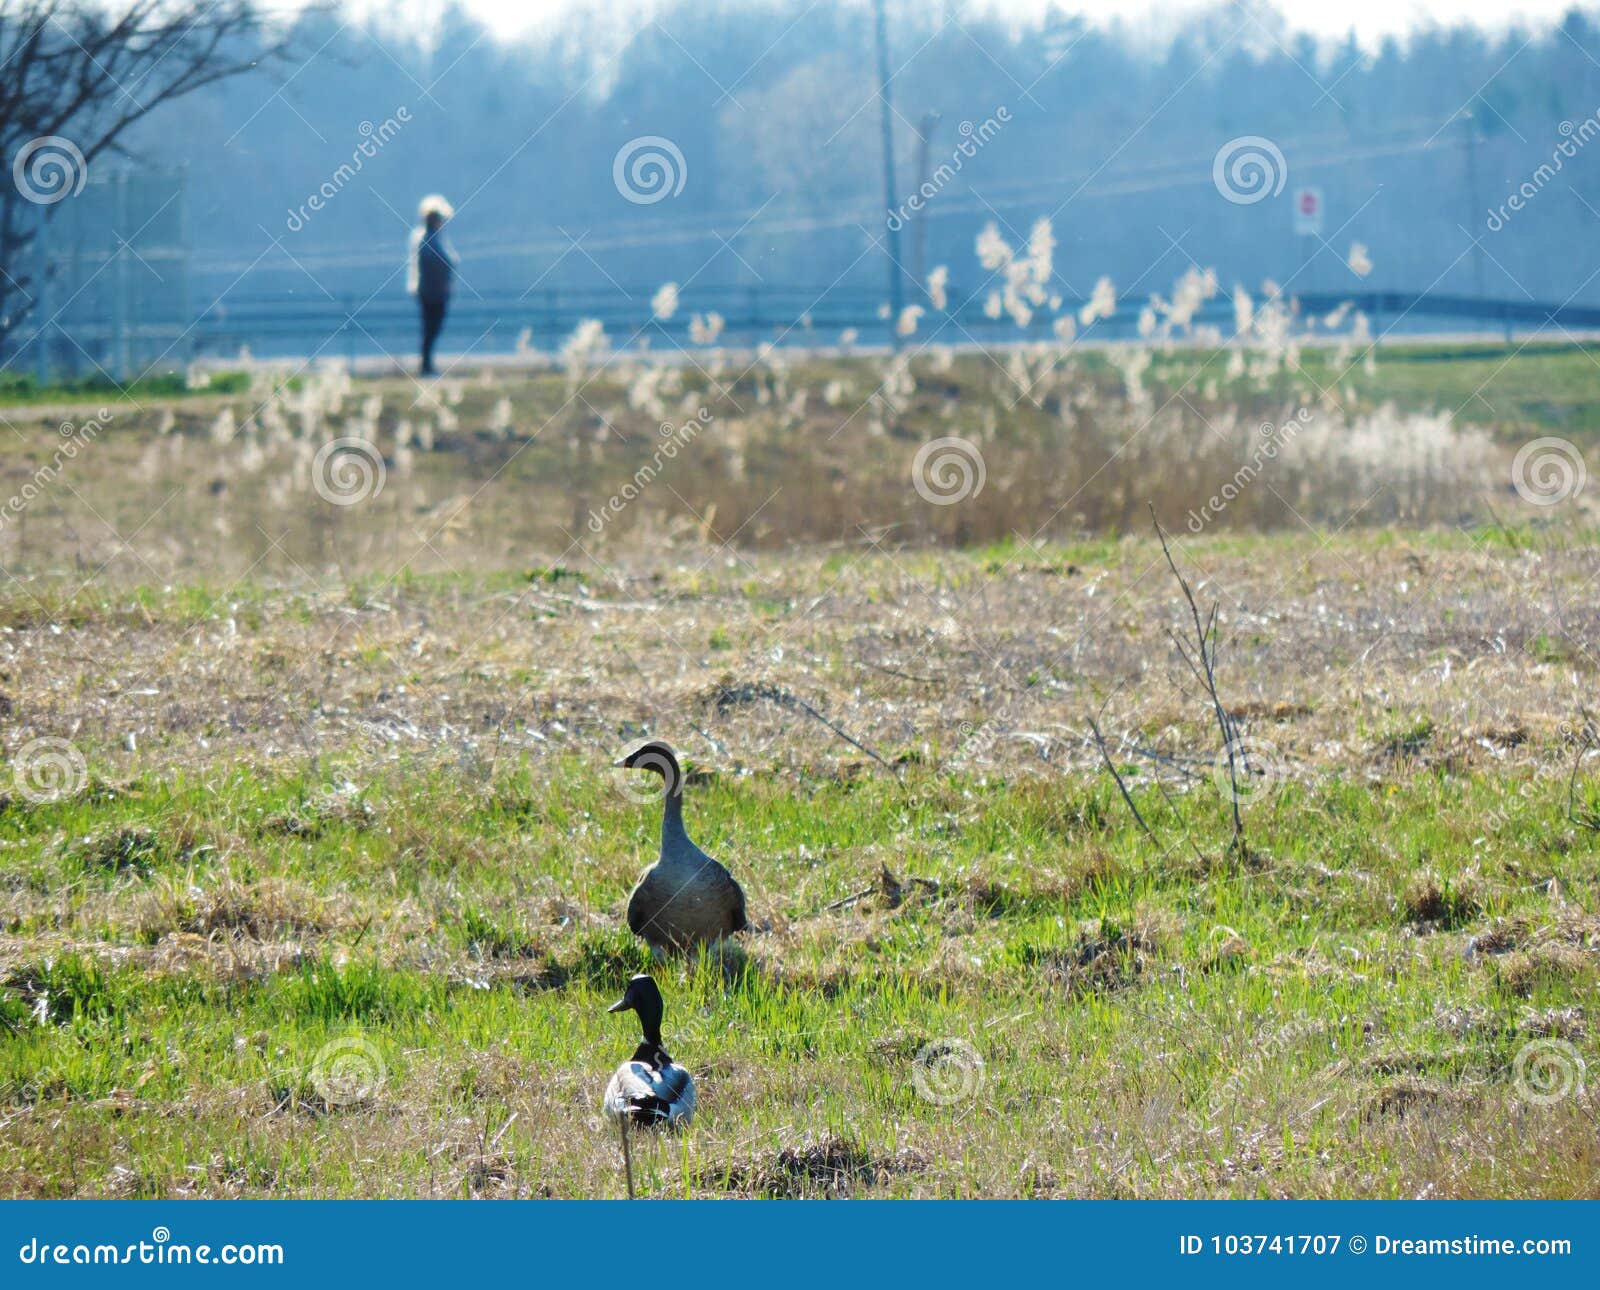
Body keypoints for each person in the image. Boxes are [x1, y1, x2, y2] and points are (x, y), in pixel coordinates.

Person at [406, 195, 458, 376]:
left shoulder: (430, 238)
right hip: (432, 293)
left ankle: (426, 364)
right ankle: (425, 365)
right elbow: (439, 261)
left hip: (433, 292)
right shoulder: (427, 240)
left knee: (431, 329)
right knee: (431, 328)